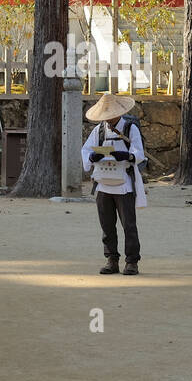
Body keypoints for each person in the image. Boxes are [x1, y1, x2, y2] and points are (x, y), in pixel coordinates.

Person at [80, 93, 147, 276]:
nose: (108, 117)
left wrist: (127, 156)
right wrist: (92, 157)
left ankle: (132, 261)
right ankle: (111, 259)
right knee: (107, 224)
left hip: (123, 182)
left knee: (128, 224)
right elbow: (86, 149)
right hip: (103, 183)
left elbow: (138, 151)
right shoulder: (99, 130)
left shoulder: (129, 127)